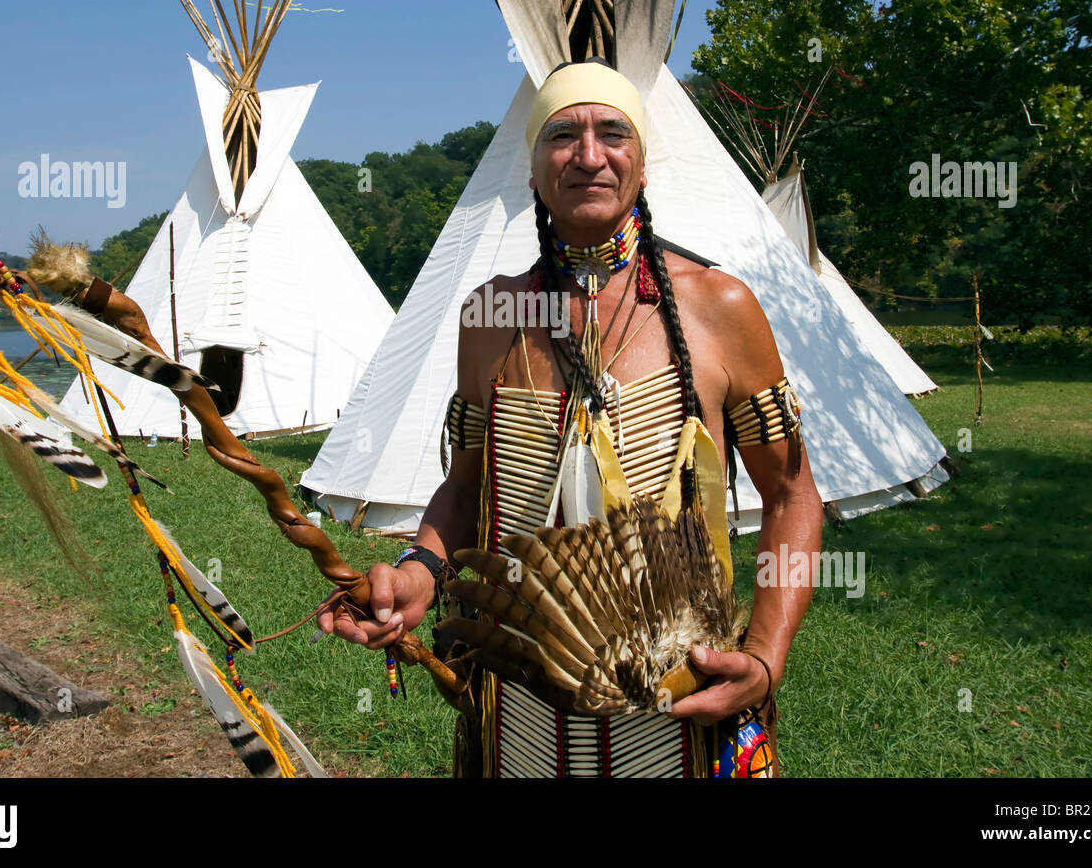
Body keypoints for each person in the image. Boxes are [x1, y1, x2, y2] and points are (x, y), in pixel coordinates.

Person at [318, 60, 823, 777]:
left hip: (682, 719)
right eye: (562, 135)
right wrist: (418, 572)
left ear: (642, 165)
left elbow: (792, 494)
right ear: (532, 172)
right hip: (520, 723)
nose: (589, 155)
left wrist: (766, 657)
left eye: (612, 133)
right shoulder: (490, 317)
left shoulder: (719, 308)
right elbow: (465, 489)